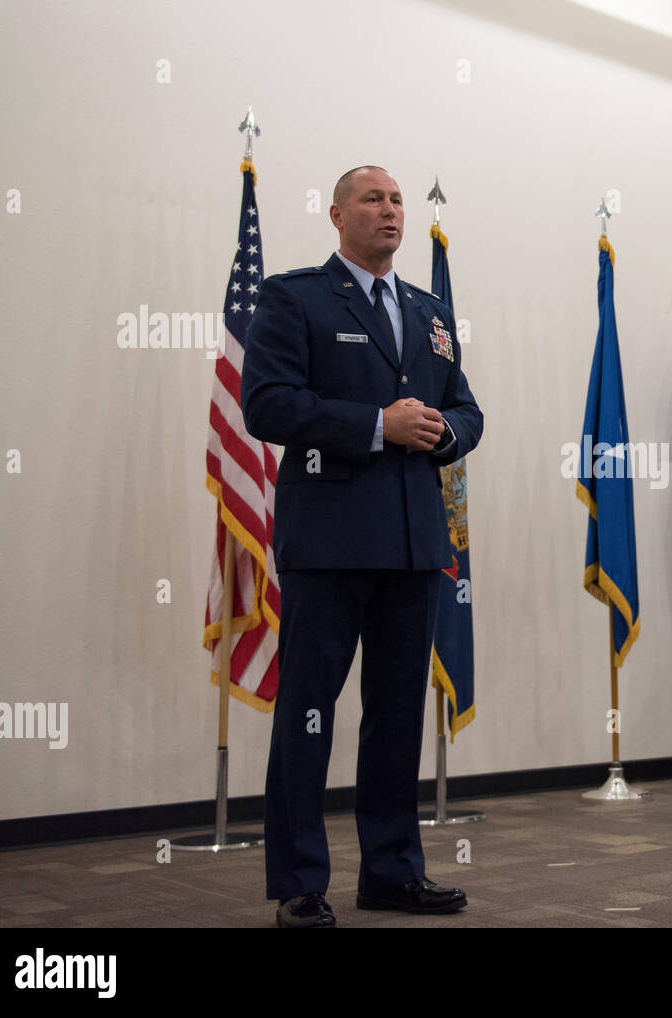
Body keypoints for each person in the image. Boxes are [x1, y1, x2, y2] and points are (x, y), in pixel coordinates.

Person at [242, 165, 483, 927]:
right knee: (308, 713)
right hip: (330, 542)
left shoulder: (429, 309)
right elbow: (267, 404)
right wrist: (379, 426)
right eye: (374, 198)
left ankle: (390, 871)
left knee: (396, 717)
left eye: (398, 199)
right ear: (337, 213)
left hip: (414, 544)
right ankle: (300, 883)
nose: (390, 210)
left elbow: (466, 409)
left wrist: (444, 432)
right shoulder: (296, 297)